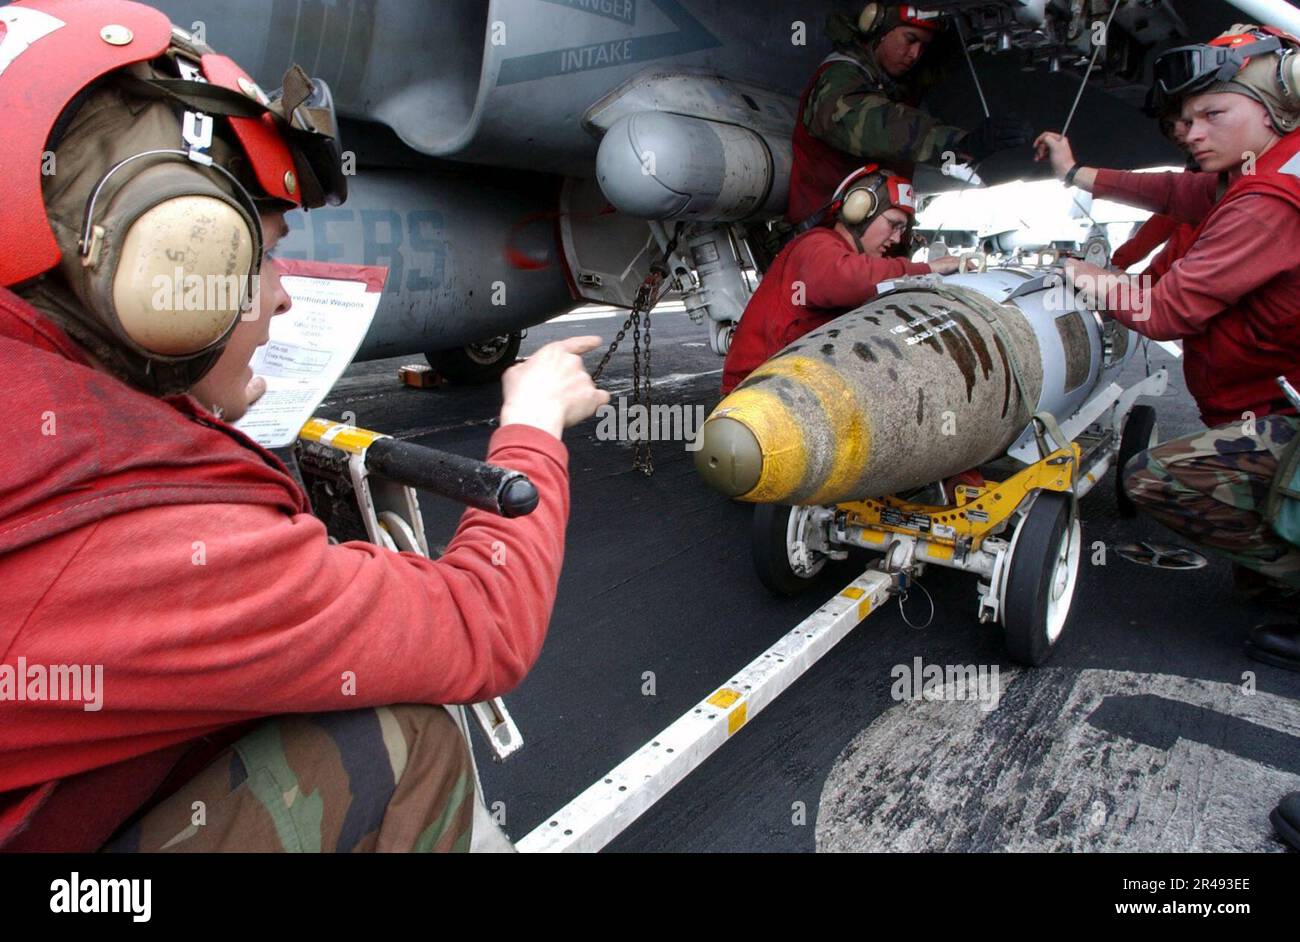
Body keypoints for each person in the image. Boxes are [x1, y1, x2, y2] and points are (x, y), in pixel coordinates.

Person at [0, 0, 608, 852]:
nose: (283, 293)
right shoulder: (146, 544)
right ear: (167, 260)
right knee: (397, 745)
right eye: (261, 252)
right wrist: (533, 422)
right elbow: (482, 623)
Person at [1032, 25, 1300, 661]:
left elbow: (1165, 311)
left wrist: (1087, 276)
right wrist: (1076, 173)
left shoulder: (1270, 200)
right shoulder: (1268, 164)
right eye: (1185, 120)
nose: (1193, 134)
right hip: (1268, 400)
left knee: (1156, 480)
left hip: (1284, 414)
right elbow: (1169, 192)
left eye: (1213, 114)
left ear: (1275, 103)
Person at [787, 2, 1032, 224]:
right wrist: (959, 143)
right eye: (910, 39)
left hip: (870, 242)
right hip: (829, 240)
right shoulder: (838, 78)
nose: (914, 54)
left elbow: (931, 73)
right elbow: (877, 126)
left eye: (923, 47)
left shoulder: (893, 83)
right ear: (879, 31)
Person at [723, 166, 961, 393]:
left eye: (902, 229)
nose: (897, 238)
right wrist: (927, 268)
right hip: (757, 395)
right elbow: (849, 280)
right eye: (893, 224)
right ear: (859, 211)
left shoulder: (835, 251)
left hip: (786, 386)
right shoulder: (817, 245)